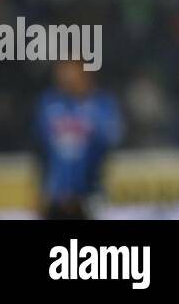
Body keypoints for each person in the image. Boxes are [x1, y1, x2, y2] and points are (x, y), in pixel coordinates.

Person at [34, 60, 124, 219]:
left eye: (70, 69)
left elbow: (110, 143)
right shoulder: (48, 103)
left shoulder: (103, 104)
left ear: (85, 71)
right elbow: (42, 151)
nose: (65, 75)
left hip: (91, 197)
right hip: (56, 199)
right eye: (61, 70)